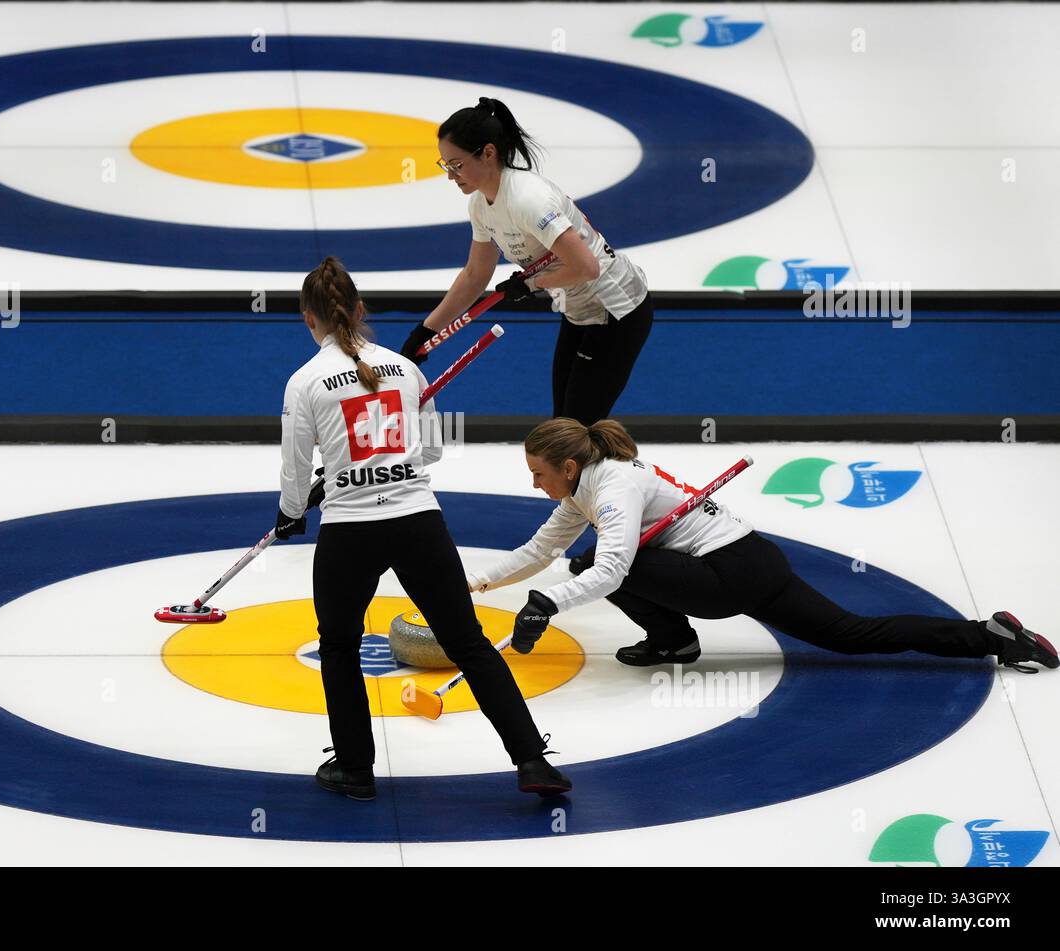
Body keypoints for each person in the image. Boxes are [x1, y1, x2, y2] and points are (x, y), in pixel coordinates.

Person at [278, 256, 572, 800]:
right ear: (361, 310)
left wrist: (294, 508)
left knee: (339, 645)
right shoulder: (405, 369)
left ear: (307, 319)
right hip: (418, 520)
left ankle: (355, 768)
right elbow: (430, 451)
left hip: (350, 529)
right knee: (469, 643)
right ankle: (533, 760)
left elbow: (296, 473)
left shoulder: (304, 383)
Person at [466, 418, 1057, 675]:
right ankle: (990, 635)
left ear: (569, 465)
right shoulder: (583, 490)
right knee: (852, 636)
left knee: (594, 563)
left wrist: (547, 604)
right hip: (751, 557)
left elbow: (615, 569)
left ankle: (675, 641)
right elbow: (537, 552)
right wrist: (476, 583)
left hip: (729, 575)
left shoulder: (615, 488)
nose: (533, 484)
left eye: (538, 473)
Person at [400, 96, 653, 574]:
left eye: (456, 164)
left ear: (488, 154)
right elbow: (476, 275)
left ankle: (618, 537)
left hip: (617, 310)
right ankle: (611, 525)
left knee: (572, 438)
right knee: (569, 428)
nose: (450, 174)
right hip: (582, 313)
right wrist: (426, 330)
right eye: (445, 164)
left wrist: (531, 283)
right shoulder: (483, 204)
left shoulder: (529, 197)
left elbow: (585, 265)